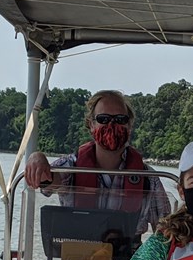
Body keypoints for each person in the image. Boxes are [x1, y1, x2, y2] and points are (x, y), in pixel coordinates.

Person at [24, 89, 171, 231]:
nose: (111, 125)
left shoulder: (148, 178)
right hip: (77, 245)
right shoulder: (72, 166)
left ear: (129, 126)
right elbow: (48, 180)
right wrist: (37, 158)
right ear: (91, 125)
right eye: (103, 119)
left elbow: (166, 228)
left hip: (129, 248)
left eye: (120, 119)